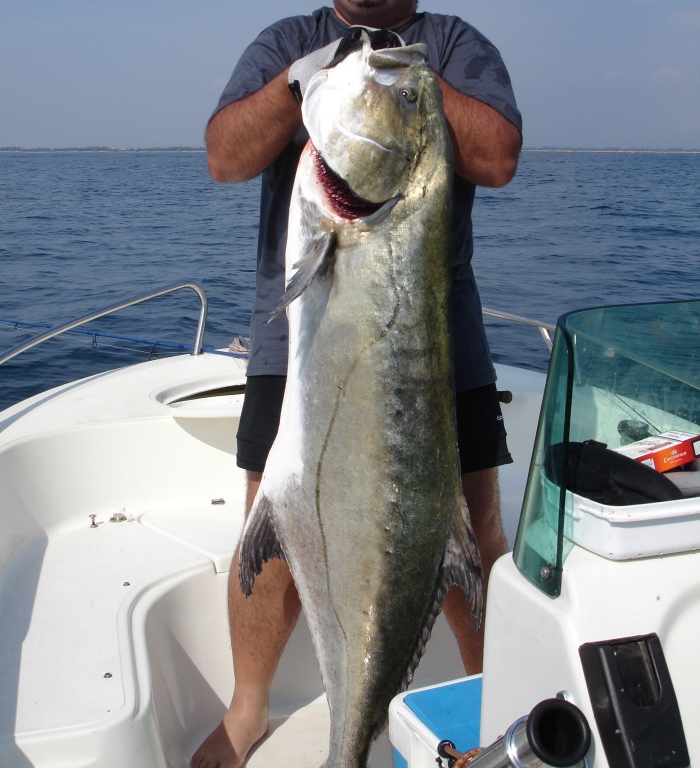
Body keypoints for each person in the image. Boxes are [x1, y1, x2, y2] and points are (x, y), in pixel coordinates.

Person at [192, 2, 522, 767]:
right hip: (297, 342)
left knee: (470, 534)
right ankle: (248, 711)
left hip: (439, 345)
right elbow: (224, 158)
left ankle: (497, 696)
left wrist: (411, 86)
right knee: (272, 527)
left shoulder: (452, 45)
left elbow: (499, 157)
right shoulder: (289, 42)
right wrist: (295, 86)